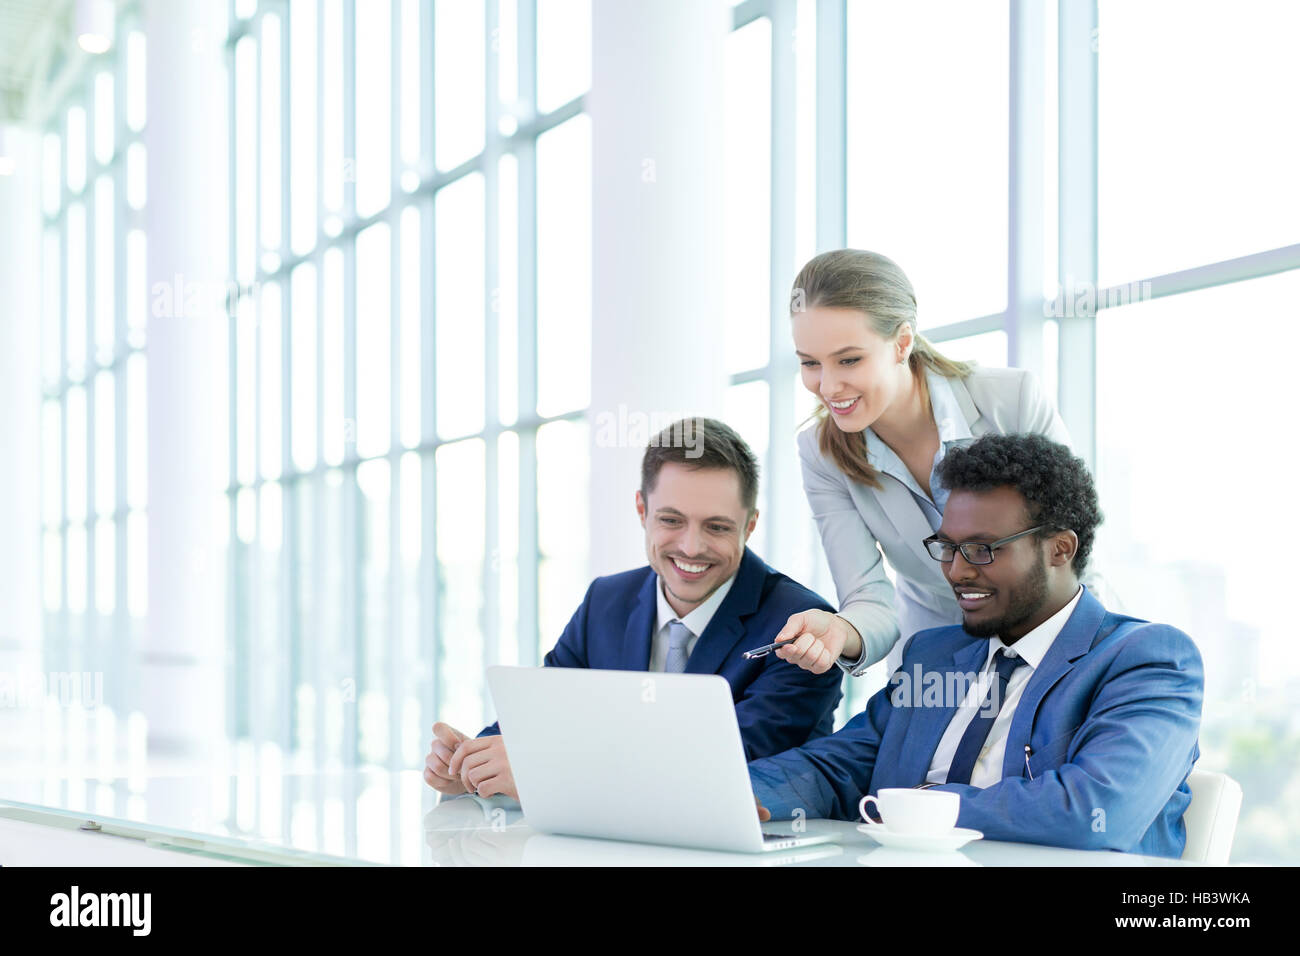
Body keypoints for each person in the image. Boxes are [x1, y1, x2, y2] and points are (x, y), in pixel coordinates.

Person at [750, 434, 1203, 858]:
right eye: (948, 547)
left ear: (1060, 549)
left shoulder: (1147, 660)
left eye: (983, 550)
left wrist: (923, 806)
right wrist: (735, 793)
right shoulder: (934, 655)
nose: (957, 572)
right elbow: (838, 768)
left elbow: (1094, 813)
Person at [423, 417, 844, 801]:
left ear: (749, 525)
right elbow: (544, 713)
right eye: (671, 520)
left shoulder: (802, 625)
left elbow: (724, 762)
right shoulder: (605, 602)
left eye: (716, 527)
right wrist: (468, 762)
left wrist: (543, 770)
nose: (691, 547)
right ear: (642, 510)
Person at [772, 249, 1077, 678]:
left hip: (1052, 631)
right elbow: (868, 597)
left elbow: (1071, 543)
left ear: (901, 343)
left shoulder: (1010, 401)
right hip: (939, 655)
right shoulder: (822, 452)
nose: (827, 385)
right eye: (809, 363)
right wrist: (841, 630)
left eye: (849, 360)